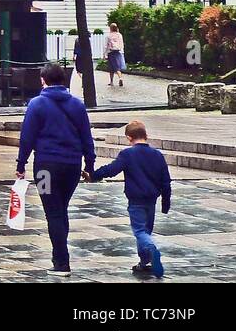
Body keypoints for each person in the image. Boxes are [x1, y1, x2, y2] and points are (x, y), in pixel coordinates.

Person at [15, 62, 95, 275]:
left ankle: (61, 262)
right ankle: (59, 255)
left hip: (45, 166)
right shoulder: (77, 105)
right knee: (61, 209)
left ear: (43, 80)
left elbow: (27, 137)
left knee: (53, 211)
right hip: (72, 166)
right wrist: (90, 164)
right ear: (63, 80)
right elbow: (87, 137)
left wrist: (21, 163)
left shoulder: (37, 104)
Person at [90, 120, 172, 278]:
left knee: (140, 231)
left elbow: (111, 170)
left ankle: (151, 249)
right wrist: (166, 202)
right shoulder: (157, 155)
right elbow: (166, 181)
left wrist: (93, 175)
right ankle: (145, 262)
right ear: (146, 136)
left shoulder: (127, 154)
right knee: (146, 230)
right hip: (151, 200)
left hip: (136, 199)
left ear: (129, 138)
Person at [105, 23, 126, 88]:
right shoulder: (119, 35)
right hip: (118, 52)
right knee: (118, 67)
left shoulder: (108, 36)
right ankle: (119, 78)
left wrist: (105, 54)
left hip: (111, 52)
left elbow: (106, 46)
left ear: (110, 28)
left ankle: (112, 81)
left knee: (111, 68)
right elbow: (122, 44)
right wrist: (122, 52)